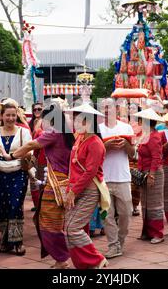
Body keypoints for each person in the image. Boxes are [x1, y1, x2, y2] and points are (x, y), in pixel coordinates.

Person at [10, 102, 74, 269]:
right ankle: (60, 258)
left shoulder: (54, 133)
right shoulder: (67, 133)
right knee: (54, 221)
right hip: (64, 182)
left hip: (54, 185)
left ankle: (61, 259)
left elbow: (32, 145)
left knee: (48, 222)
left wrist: (11, 155)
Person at [64, 103, 108, 269]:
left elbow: (90, 172)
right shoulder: (80, 138)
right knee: (71, 229)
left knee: (72, 228)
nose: (75, 122)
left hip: (88, 191)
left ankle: (96, 259)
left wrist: (73, 191)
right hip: (76, 189)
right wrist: (70, 189)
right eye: (74, 119)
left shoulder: (95, 142)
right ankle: (84, 264)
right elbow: (73, 168)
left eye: (79, 119)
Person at [0, 103, 32, 256]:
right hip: (0, 173)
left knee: (15, 205)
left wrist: (20, 155)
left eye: (13, 115)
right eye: (8, 115)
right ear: (1, 116)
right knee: (4, 207)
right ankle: (6, 240)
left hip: (18, 172)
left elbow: (29, 151)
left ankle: (18, 242)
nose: (11, 118)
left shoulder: (24, 132)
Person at [98, 98, 135, 259]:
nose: (107, 111)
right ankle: (113, 245)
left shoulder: (126, 127)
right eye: (104, 108)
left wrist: (125, 145)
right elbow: (92, 153)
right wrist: (106, 146)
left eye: (110, 108)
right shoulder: (97, 129)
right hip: (103, 178)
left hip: (123, 177)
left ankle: (119, 241)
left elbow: (133, 154)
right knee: (107, 215)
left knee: (126, 212)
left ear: (116, 109)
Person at [134, 108, 165, 244]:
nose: (139, 122)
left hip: (153, 173)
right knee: (145, 203)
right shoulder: (145, 135)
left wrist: (151, 175)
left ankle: (157, 233)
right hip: (144, 173)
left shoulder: (154, 137)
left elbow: (156, 158)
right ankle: (148, 231)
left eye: (141, 120)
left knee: (154, 204)